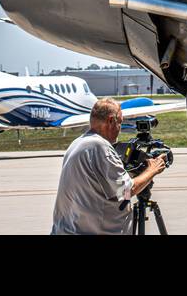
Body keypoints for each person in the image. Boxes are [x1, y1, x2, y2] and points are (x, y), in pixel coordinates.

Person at [51, 97, 166, 234]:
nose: (120, 129)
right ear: (111, 121)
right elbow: (126, 191)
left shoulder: (78, 143)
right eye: (120, 123)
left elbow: (105, 188)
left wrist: (129, 176)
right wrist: (151, 170)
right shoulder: (100, 147)